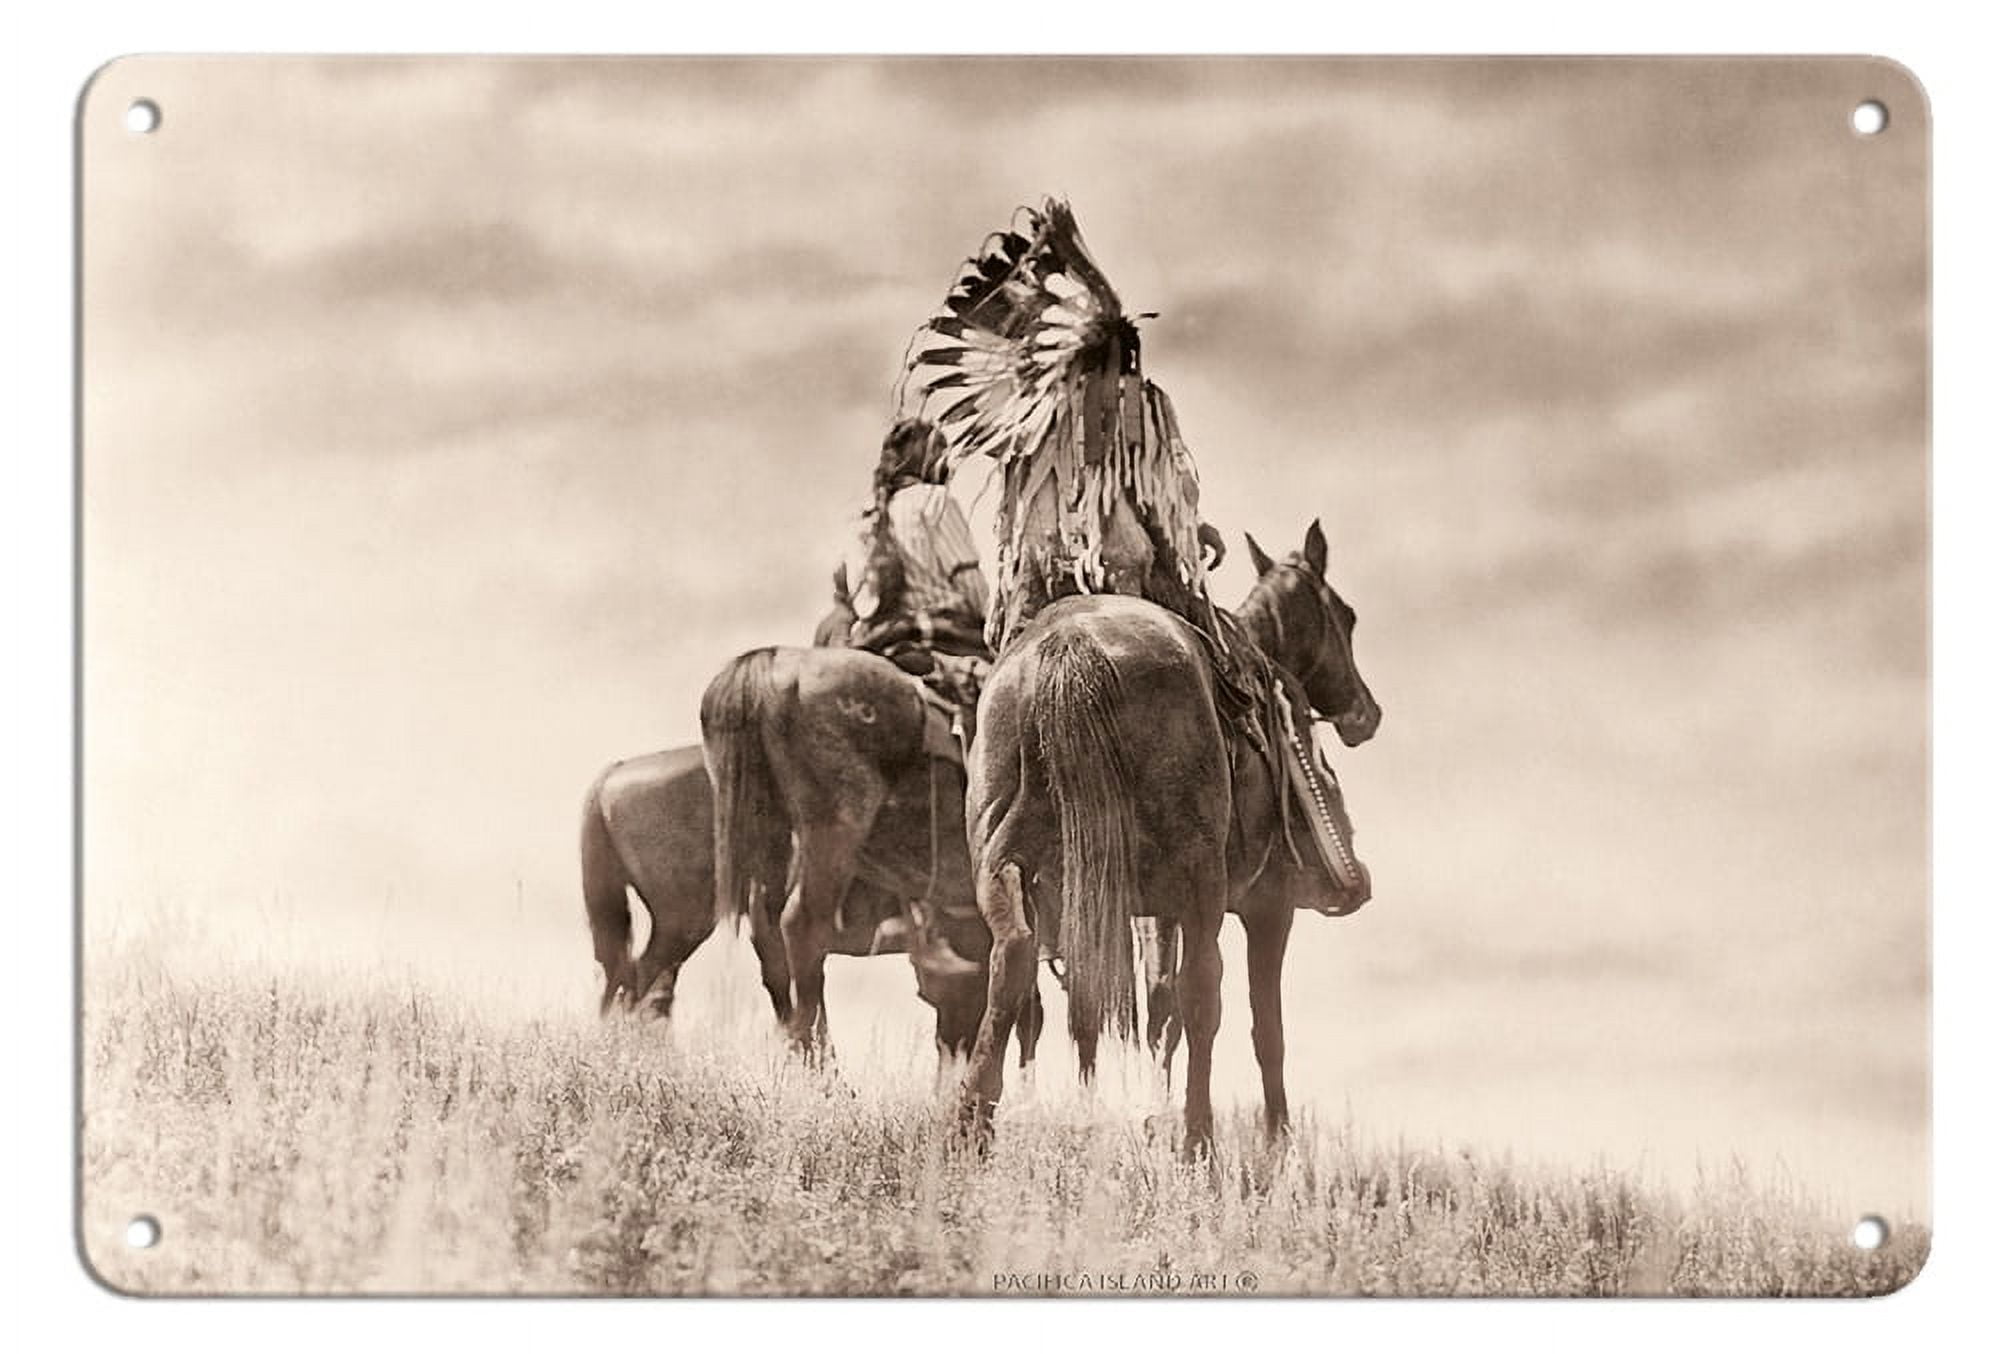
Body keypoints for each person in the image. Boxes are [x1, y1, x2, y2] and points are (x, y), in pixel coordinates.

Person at [846, 418, 993, 721]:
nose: (948, 462)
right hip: (950, 640)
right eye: (942, 451)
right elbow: (969, 582)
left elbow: (861, 602)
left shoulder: (865, 518)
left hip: (881, 643)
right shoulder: (934, 501)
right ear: (927, 458)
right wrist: (997, 627)